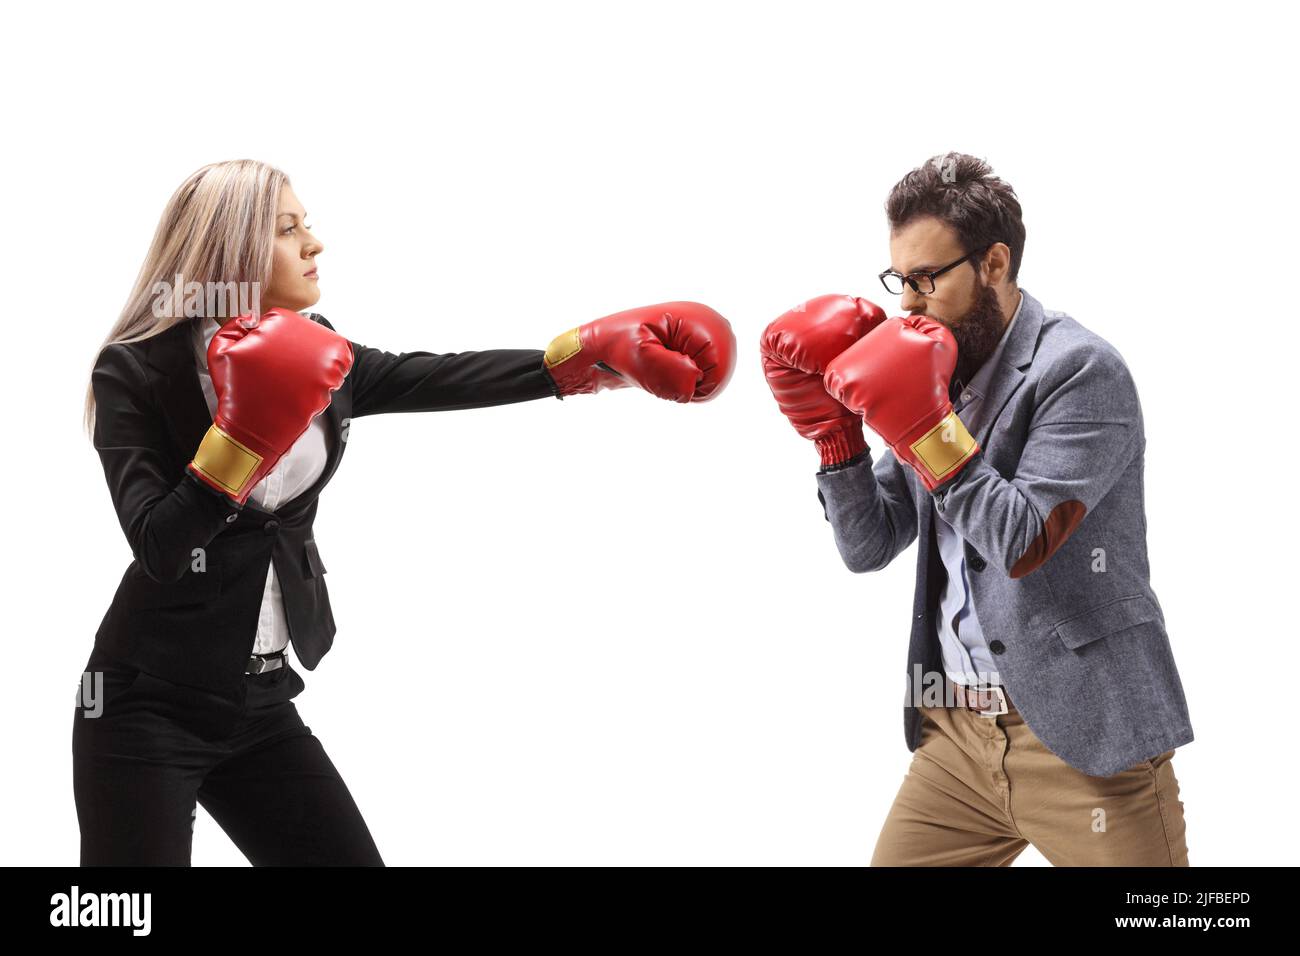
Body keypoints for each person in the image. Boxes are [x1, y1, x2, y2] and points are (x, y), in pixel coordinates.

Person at [73, 158, 736, 865]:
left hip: (258, 700)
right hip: (143, 702)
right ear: (229, 247)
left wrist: (585, 360)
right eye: (289, 228)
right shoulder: (137, 367)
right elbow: (159, 545)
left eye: (309, 226)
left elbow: (436, 373)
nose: (314, 244)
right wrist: (238, 441)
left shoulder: (315, 350)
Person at [760, 152, 1192, 866]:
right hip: (957, 735)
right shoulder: (934, 367)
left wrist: (925, 424)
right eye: (899, 280)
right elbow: (869, 547)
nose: (907, 305)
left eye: (927, 279)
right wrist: (834, 439)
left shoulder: (1081, 372)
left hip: (1081, 735)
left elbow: (1023, 541)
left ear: (994, 263)